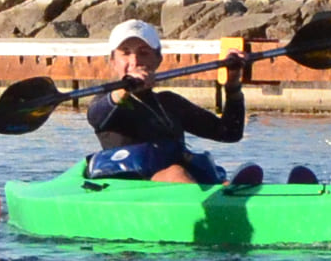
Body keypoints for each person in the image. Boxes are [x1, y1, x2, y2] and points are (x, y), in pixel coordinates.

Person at [86, 21, 267, 188]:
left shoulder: (169, 103)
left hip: (177, 187)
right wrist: (124, 89)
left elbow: (229, 133)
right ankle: (207, 201)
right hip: (129, 188)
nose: (135, 61)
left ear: (158, 59)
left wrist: (233, 86)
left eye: (144, 52)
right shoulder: (107, 100)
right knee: (175, 173)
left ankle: (230, 193)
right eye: (125, 53)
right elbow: (96, 116)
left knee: (212, 178)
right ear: (112, 61)